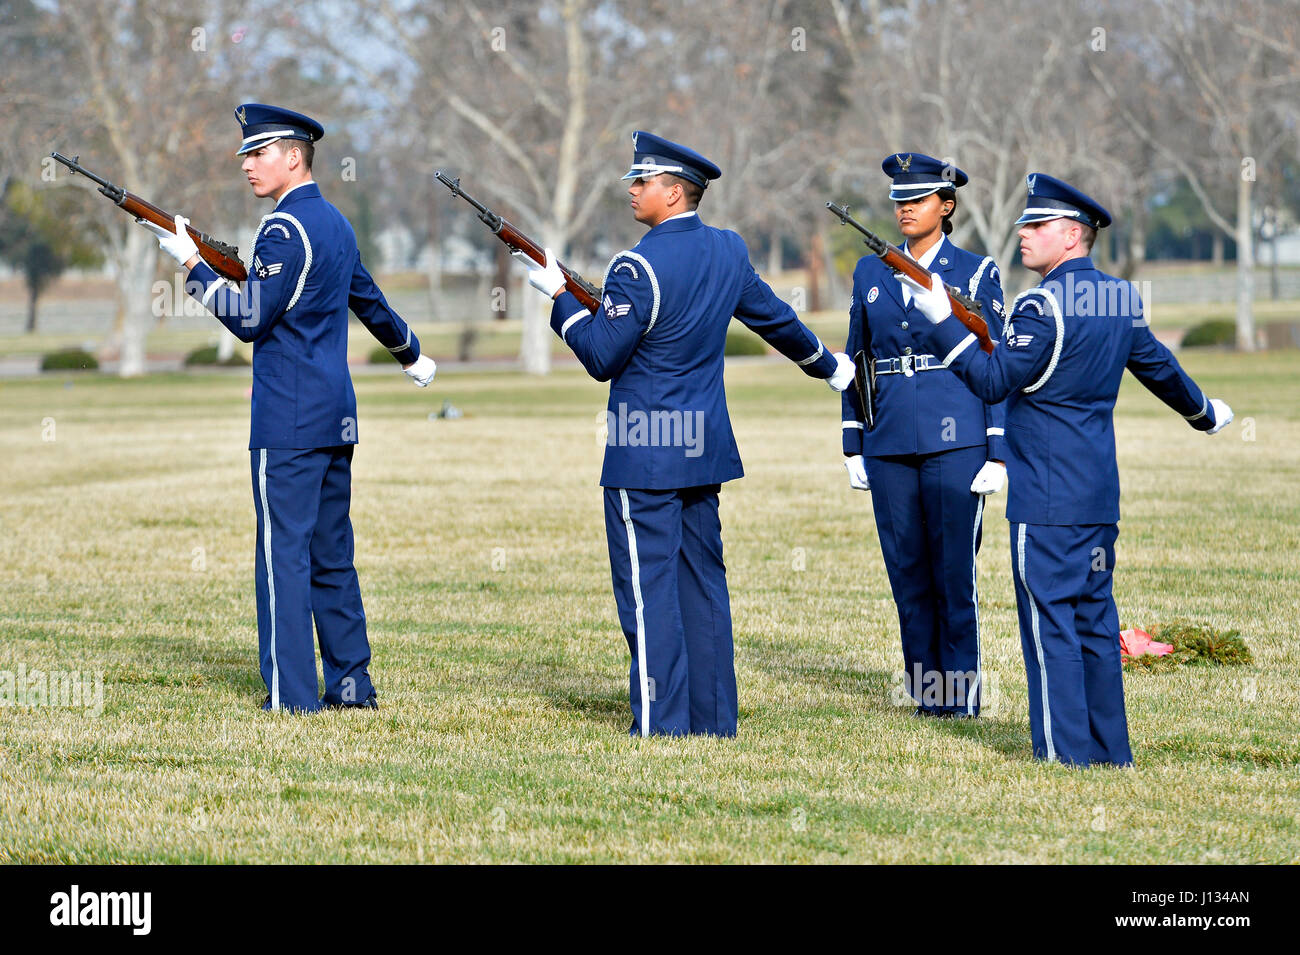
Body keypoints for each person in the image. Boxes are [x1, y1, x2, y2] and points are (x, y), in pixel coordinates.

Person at [516, 131, 855, 737]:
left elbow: (601, 358)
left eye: (641, 181)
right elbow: (774, 318)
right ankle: (712, 718)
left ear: (674, 193)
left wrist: (561, 300)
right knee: (702, 587)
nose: (631, 189)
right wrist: (827, 366)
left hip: (644, 451)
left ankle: (660, 720)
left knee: (648, 591)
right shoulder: (728, 250)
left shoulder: (636, 264)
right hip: (702, 447)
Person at [905, 172, 1233, 766]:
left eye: (1037, 225)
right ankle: (1110, 752)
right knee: (1094, 624)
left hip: (1047, 497)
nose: (1023, 235)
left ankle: (1063, 754)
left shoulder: (1040, 304)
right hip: (1096, 493)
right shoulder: (1115, 297)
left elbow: (992, 380)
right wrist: (1204, 413)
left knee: (1049, 623)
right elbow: (1158, 367)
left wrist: (940, 321)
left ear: (1073, 235)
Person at [138, 103, 438, 713]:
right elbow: (370, 301)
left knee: (283, 558)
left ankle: (291, 696)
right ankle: (351, 687)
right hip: (335, 415)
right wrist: (409, 353)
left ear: (293, 156)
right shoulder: (335, 223)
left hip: (289, 421)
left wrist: (191, 265)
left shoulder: (282, 229)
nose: (247, 165)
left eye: (258, 153)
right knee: (332, 556)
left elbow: (249, 319)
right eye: (246, 154)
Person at [840, 153, 1006, 718]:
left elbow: (997, 361)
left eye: (919, 198)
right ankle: (926, 695)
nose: (905, 207)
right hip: (888, 438)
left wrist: (998, 449)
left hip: (958, 435)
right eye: (898, 199)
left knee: (953, 574)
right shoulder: (870, 273)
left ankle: (960, 697)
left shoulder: (977, 272)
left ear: (947, 205)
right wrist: (852, 440)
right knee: (907, 572)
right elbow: (855, 356)